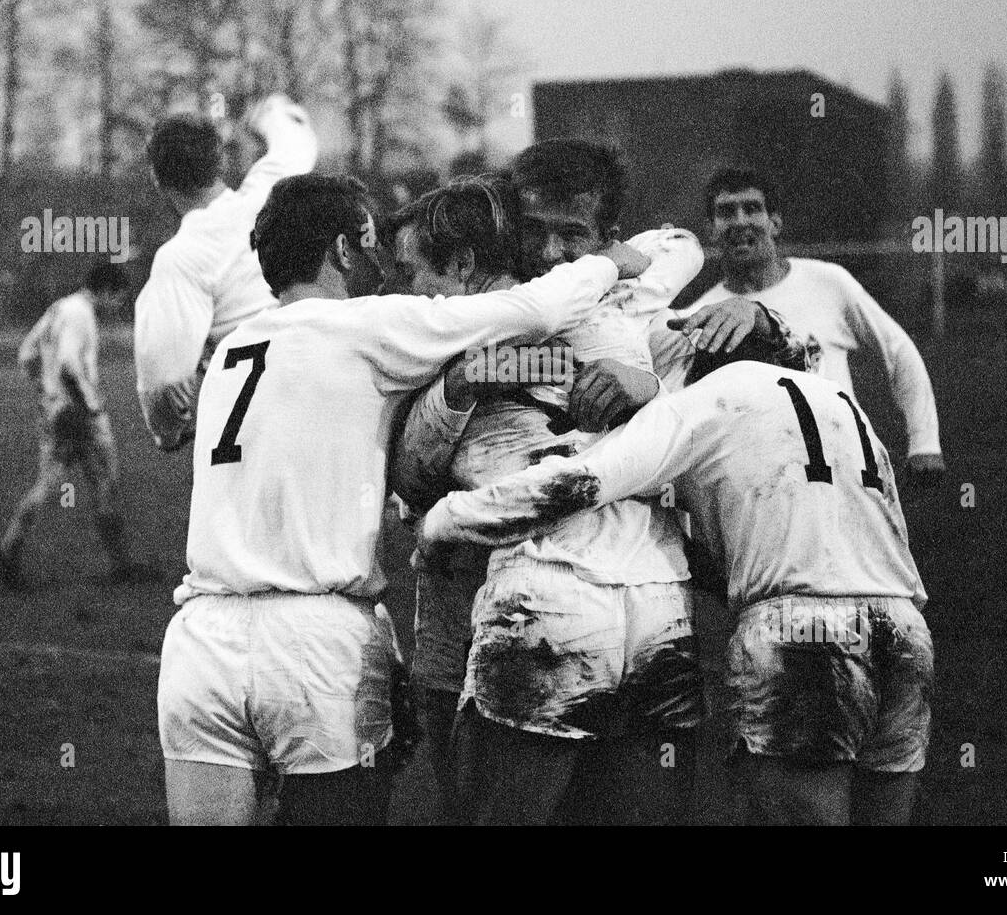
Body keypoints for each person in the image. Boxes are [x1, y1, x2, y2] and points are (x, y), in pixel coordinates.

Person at [156, 172, 650, 826]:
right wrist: (609, 261)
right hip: (315, 640)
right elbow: (535, 312)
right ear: (342, 248)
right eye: (370, 245)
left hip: (199, 641)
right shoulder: (369, 328)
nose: (386, 271)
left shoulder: (230, 352)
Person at [390, 144, 808, 825]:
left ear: (607, 238)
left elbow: (750, 349)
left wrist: (758, 324)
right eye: (536, 230)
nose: (553, 250)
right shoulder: (468, 316)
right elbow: (410, 474)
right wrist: (468, 381)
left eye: (573, 234)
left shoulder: (631, 310)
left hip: (624, 596)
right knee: (472, 801)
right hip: (480, 590)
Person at [418, 340, 933, 827]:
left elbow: (577, 484)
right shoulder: (843, 402)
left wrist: (442, 520)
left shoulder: (709, 398)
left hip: (803, 635)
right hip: (906, 631)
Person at [681, 166, 945, 482]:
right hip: (766, 484)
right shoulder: (702, 317)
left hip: (852, 473)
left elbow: (899, 350)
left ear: (775, 222)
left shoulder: (828, 282)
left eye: (752, 209)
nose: (739, 221)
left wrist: (924, 442)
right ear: (711, 228)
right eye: (726, 212)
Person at [134, 94, 318, 453]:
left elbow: (166, 382)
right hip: (320, 392)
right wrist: (266, 111)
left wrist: (169, 432)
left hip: (257, 429)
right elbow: (298, 139)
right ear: (217, 161)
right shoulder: (271, 196)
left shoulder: (181, 257)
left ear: (157, 178)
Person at [0, 263, 141, 588]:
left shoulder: (60, 307)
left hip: (55, 414)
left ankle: (8, 551)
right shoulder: (81, 314)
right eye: (118, 297)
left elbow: (27, 355)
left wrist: (48, 396)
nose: (118, 305)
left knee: (48, 484)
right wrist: (89, 406)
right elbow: (68, 365)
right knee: (106, 482)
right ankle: (123, 565)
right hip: (82, 417)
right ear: (105, 291)